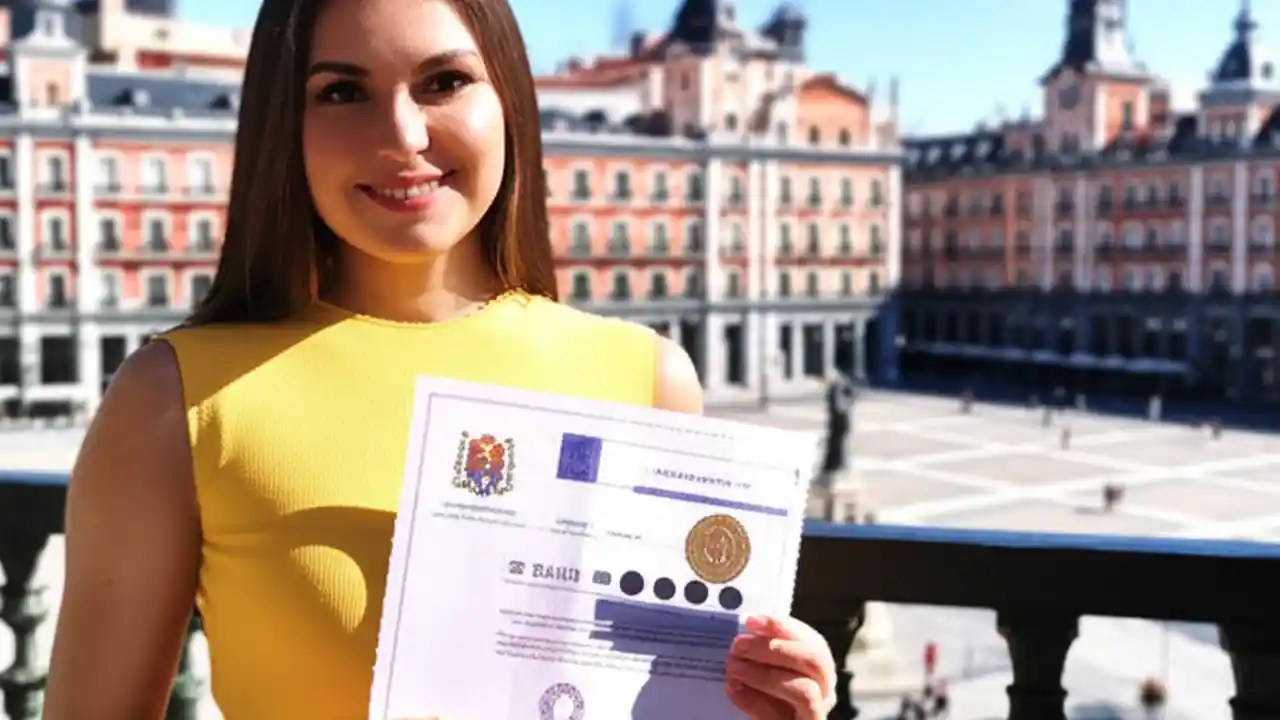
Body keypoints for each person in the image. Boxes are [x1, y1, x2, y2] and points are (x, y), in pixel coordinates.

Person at [41, 0, 839, 718]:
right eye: (341, 92)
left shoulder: (648, 378)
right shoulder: (176, 398)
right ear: (284, 123)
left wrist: (761, 698)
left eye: (444, 81)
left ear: (511, 105)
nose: (404, 135)